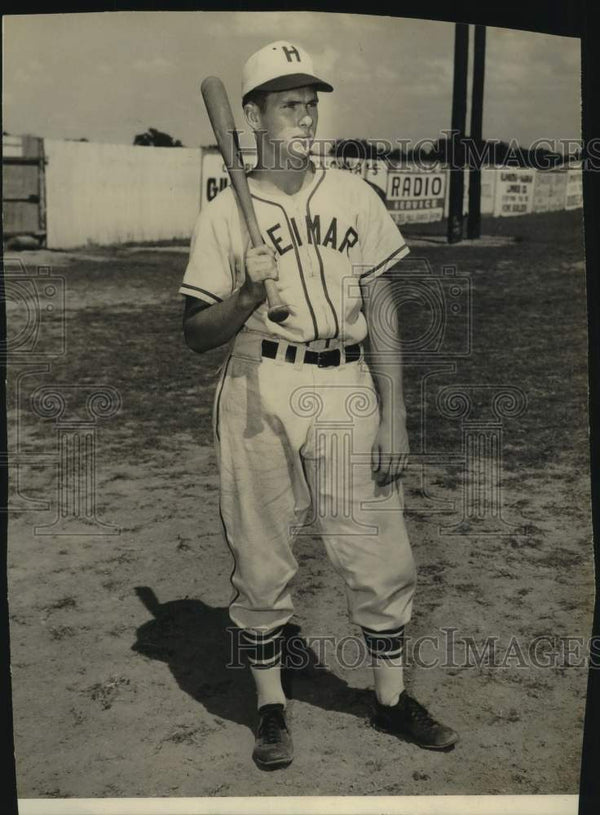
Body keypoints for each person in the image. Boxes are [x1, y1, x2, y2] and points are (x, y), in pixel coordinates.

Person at [181, 40, 458, 769]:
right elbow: (194, 334)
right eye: (287, 103)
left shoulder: (353, 194)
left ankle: (392, 700)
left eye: (311, 103)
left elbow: (382, 302)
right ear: (253, 114)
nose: (304, 117)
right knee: (261, 548)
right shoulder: (221, 215)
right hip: (257, 385)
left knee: (377, 546)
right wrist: (244, 293)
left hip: (346, 385)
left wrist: (394, 408)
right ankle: (271, 703)